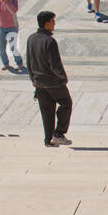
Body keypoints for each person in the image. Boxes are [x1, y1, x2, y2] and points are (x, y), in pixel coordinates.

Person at [26, 10, 71, 147]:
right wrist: (63, 78)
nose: (54, 23)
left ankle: (48, 140)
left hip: (39, 82)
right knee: (66, 103)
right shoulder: (50, 41)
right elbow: (55, 64)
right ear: (46, 24)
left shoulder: (31, 38)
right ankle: (58, 133)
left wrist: (33, 79)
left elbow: (29, 61)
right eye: (52, 21)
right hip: (53, 82)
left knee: (47, 111)